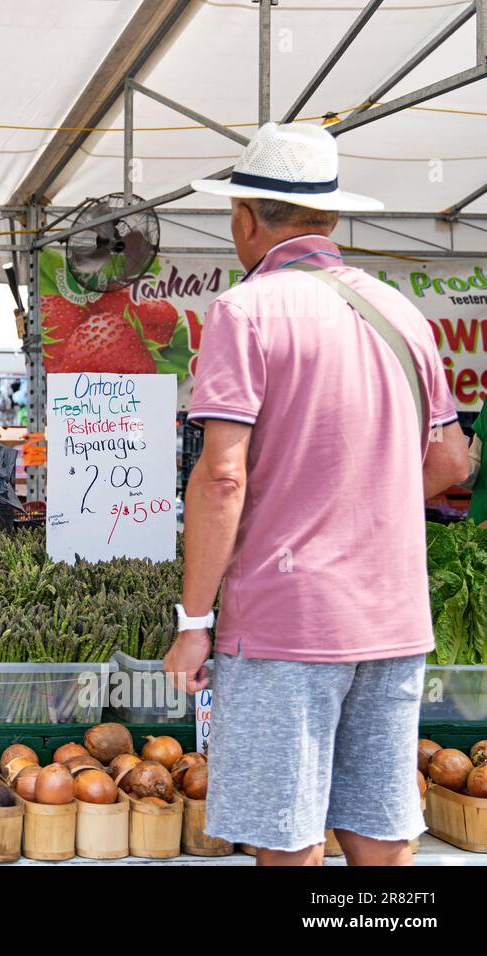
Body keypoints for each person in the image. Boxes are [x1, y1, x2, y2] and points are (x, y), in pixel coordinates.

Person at [163, 123, 469, 867]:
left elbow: (222, 477)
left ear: (243, 219)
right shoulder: (402, 313)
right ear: (329, 217)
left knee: (286, 833)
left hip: (286, 622)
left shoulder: (246, 312)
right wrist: (365, 503)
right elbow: (452, 461)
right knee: (381, 828)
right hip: (394, 616)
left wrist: (194, 619)